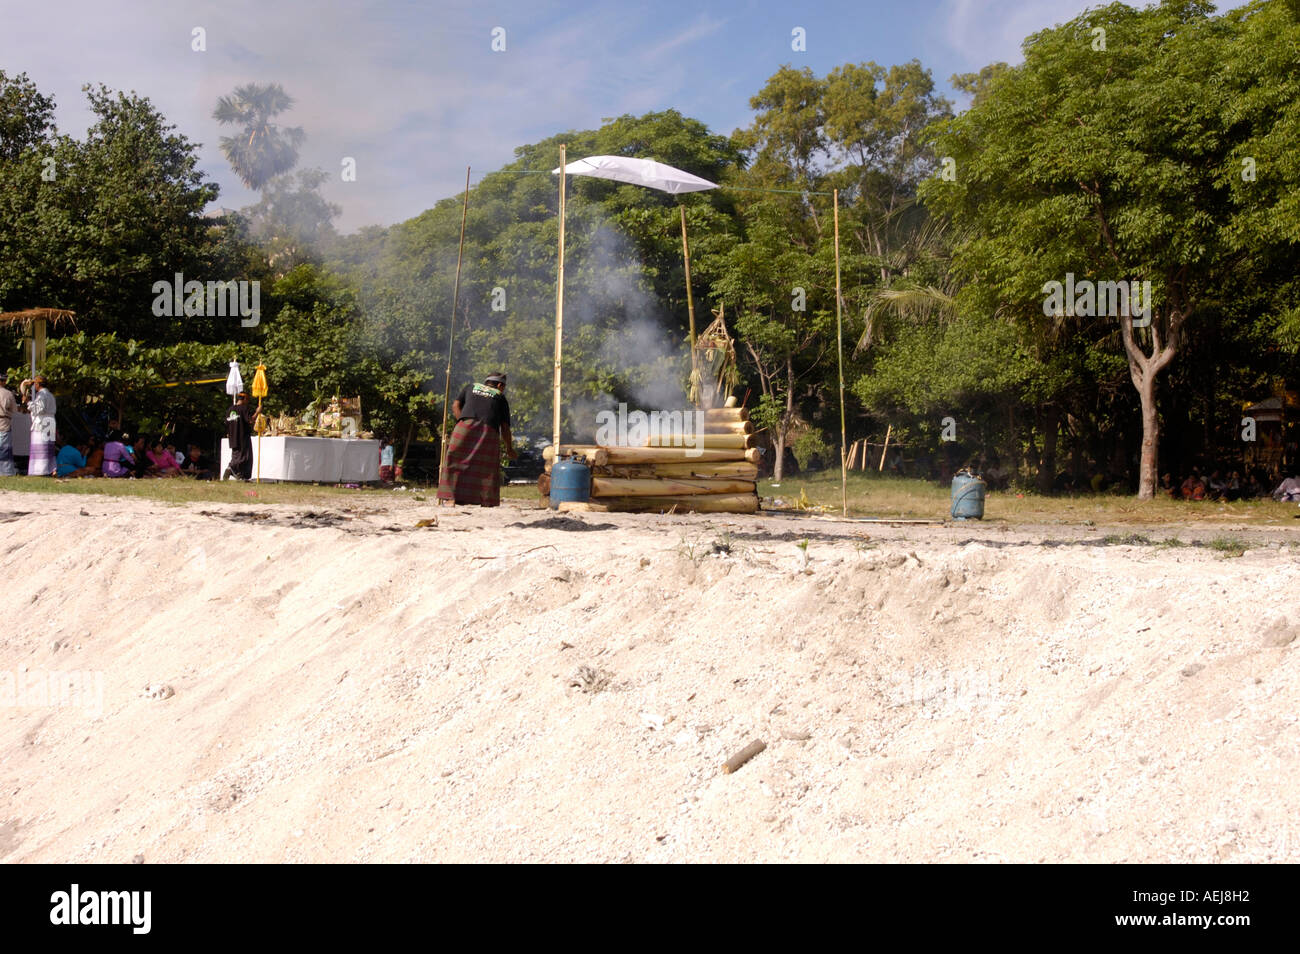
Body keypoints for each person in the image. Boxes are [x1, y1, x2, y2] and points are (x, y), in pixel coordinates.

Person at [438, 372, 517, 507]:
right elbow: (504, 427)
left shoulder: (471, 386)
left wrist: (463, 422)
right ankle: (486, 501)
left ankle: (450, 499)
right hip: (488, 430)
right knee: (486, 467)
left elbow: (455, 406)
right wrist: (509, 448)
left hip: (464, 425)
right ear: (500, 385)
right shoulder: (500, 397)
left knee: (455, 460)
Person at [21, 375, 57, 476]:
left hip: (42, 422)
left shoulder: (41, 395)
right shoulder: (50, 395)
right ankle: (51, 469)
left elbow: (39, 409)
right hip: (50, 421)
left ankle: (40, 471)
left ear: (38, 384)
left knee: (41, 447)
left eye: (35, 384)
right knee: (49, 448)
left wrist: (28, 402)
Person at [224, 392, 258, 480]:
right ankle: (231, 468)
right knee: (244, 457)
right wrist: (257, 412)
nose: (248, 401)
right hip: (242, 436)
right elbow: (250, 420)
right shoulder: (244, 408)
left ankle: (240, 475)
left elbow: (226, 423)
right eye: (247, 399)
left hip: (233, 437)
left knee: (236, 455)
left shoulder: (229, 409)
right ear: (244, 399)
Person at [0, 372, 16, 477]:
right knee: (4, 449)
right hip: (4, 423)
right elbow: (14, 409)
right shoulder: (8, 394)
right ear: (4, 381)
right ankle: (5, 472)